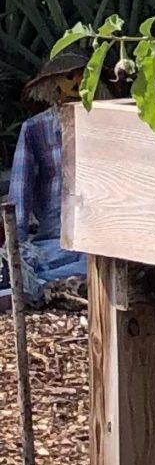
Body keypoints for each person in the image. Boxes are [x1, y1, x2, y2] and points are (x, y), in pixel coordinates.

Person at [2, 47, 88, 307]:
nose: (76, 82)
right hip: (54, 238)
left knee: (98, 262)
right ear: (53, 85)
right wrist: (15, 246)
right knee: (25, 263)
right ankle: (40, 284)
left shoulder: (109, 127)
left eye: (82, 75)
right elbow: (20, 187)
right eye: (69, 76)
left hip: (97, 240)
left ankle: (42, 286)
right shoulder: (35, 129)